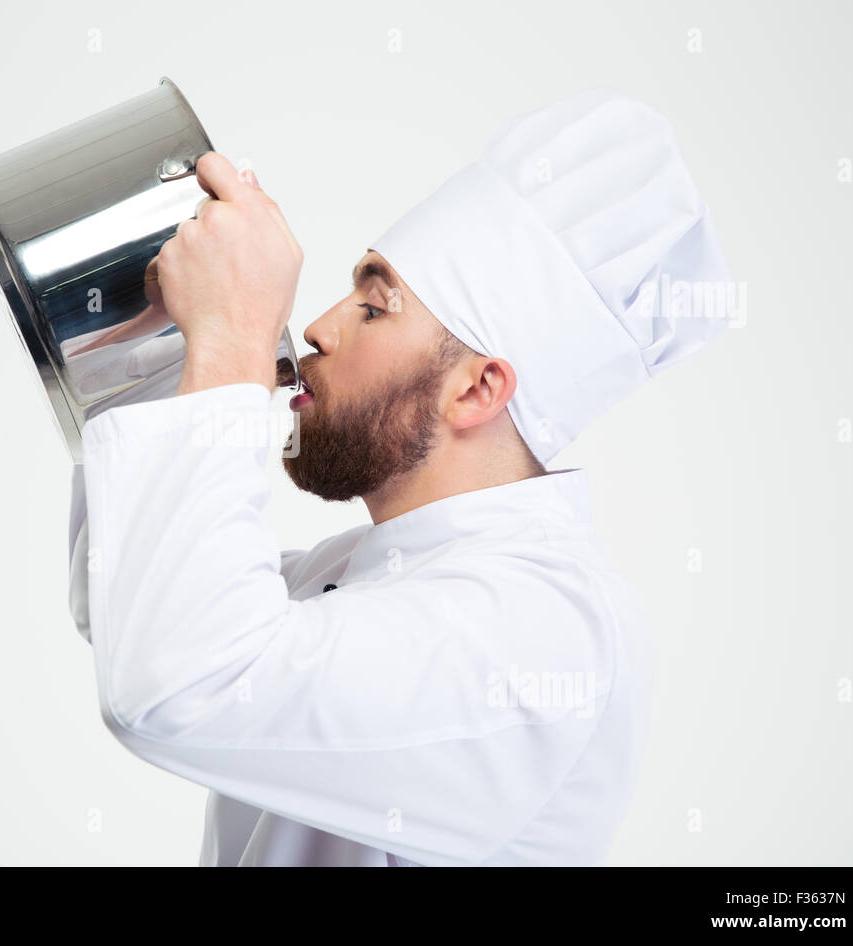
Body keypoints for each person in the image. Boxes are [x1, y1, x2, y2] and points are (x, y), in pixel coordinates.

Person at [66, 89, 734, 865]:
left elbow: (178, 683)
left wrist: (235, 340)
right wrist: (173, 344)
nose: (316, 326)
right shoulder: (359, 570)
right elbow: (129, 594)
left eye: (374, 308)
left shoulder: (544, 631)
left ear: (478, 389)